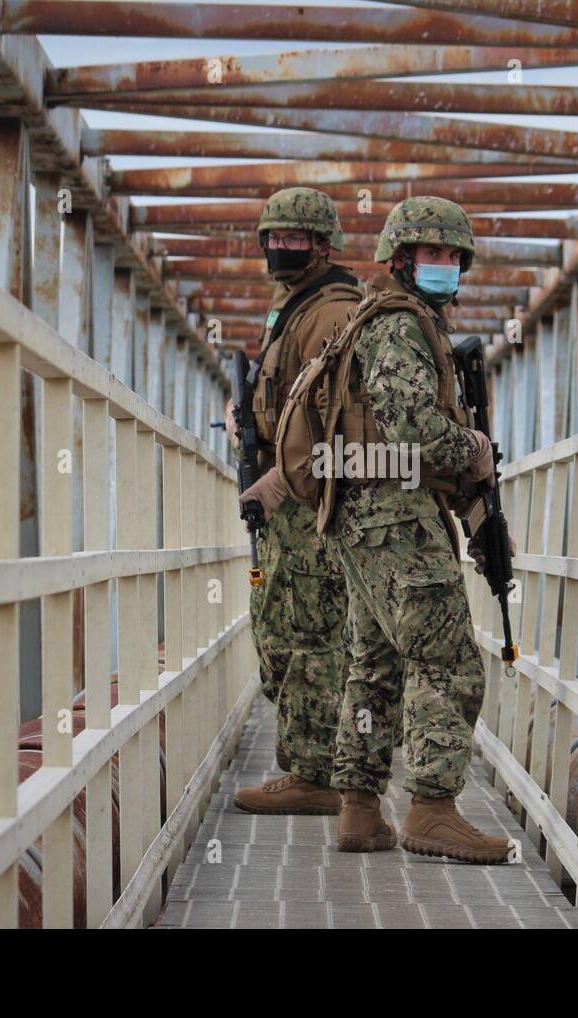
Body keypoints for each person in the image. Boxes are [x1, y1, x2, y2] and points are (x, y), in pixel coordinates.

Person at [240, 197, 512, 863]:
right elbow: (414, 430)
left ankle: (359, 809)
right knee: (447, 661)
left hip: (360, 520)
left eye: (452, 255)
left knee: (374, 664)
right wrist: (473, 447)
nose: (443, 265)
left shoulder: (376, 317)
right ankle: (432, 808)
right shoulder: (398, 326)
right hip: (393, 519)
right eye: (431, 254)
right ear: (400, 258)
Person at [227, 188, 361, 815]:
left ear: (322, 245)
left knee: (308, 634)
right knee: (277, 627)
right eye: (274, 239)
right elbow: (288, 405)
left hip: (309, 502)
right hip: (289, 505)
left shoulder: (331, 313)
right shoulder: (294, 306)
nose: (283, 249)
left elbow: (339, 423)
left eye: (295, 239)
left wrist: (276, 481)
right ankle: (311, 763)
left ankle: (316, 775)